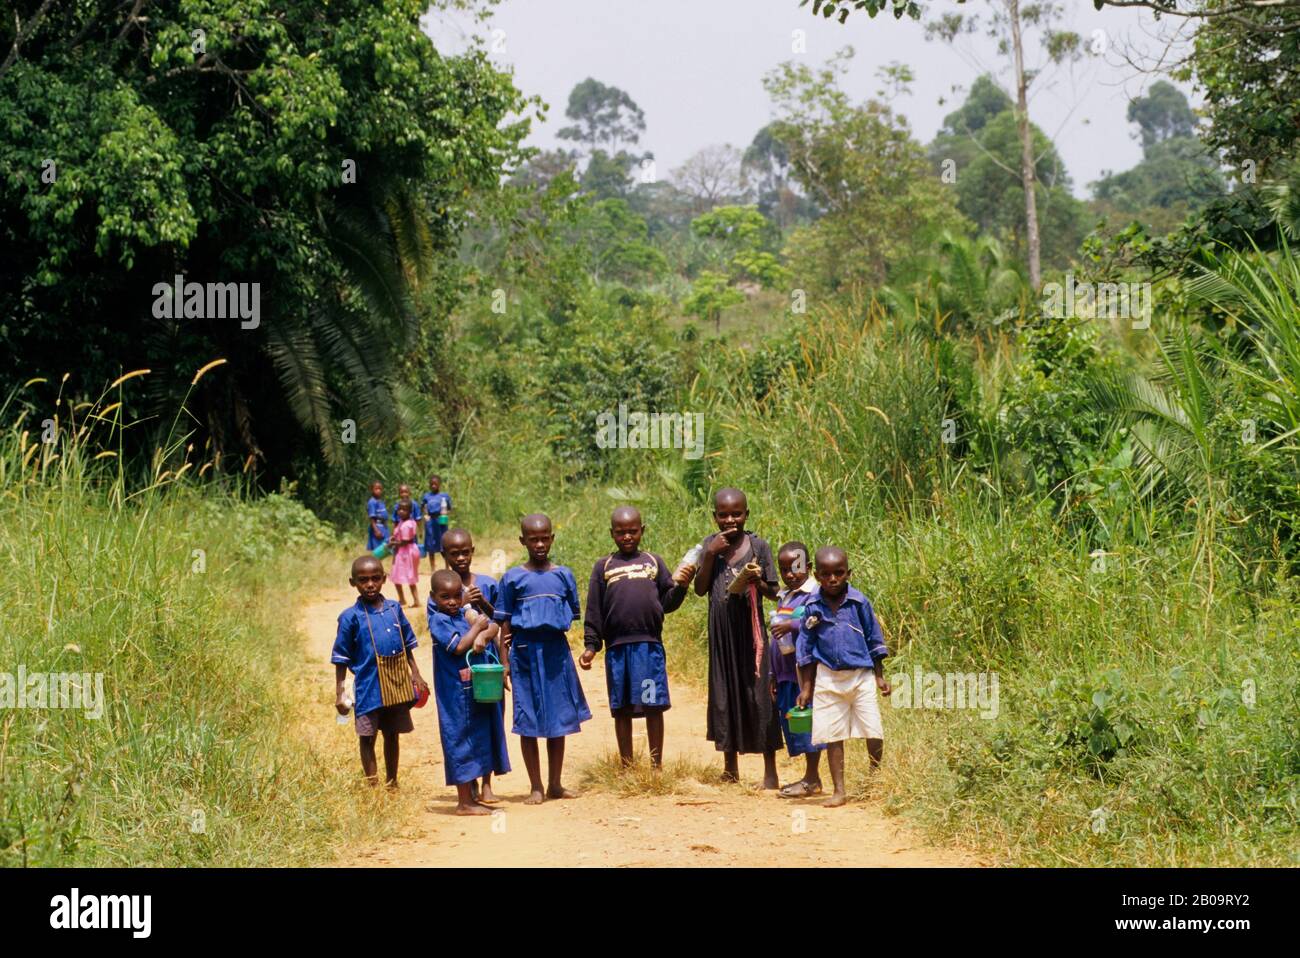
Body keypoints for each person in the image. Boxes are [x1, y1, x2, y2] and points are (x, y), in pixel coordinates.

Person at [579, 506, 694, 768]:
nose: (627, 537)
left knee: (652, 705)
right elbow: (594, 609)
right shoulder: (603, 566)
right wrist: (591, 645)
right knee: (622, 708)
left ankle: (656, 765)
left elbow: (667, 602)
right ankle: (626, 764)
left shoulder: (653, 562)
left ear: (642, 531)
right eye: (621, 533)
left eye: (632, 531)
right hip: (617, 651)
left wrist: (682, 587)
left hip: (648, 649)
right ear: (612, 534)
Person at [496, 513, 591, 804]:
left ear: (552, 538)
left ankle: (555, 784)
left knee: (557, 719)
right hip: (524, 652)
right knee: (528, 719)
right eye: (533, 539)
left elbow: (572, 614)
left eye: (544, 537)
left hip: (555, 652)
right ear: (523, 541)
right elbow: (505, 624)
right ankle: (535, 785)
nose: (539, 543)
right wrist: (505, 662)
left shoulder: (564, 575)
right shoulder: (513, 578)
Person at [692, 487, 783, 787]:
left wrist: (759, 581)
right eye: (723, 515)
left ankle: (770, 773)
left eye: (736, 514)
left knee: (760, 694)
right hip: (722, 632)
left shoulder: (759, 546)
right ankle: (730, 768)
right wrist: (709, 555)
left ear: (747, 514)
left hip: (752, 632)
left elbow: (774, 592)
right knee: (724, 693)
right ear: (714, 516)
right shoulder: (709, 546)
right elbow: (701, 588)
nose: (730, 520)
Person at [795, 546, 891, 808]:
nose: (833, 579)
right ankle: (839, 790)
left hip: (861, 675)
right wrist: (806, 687)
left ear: (849, 573)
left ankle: (875, 778)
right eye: (826, 574)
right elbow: (805, 646)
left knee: (872, 728)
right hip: (828, 677)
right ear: (816, 575)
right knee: (833, 733)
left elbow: (874, 639)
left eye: (839, 573)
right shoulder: (812, 607)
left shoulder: (859, 603)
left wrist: (880, 677)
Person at [332, 555, 428, 787]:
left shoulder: (394, 609)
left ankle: (392, 781)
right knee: (367, 735)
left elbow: (406, 644)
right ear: (352, 582)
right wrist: (340, 692)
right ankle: (373, 785)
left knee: (392, 733)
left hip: (396, 682)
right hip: (367, 686)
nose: (370, 584)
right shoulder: (350, 617)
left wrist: (416, 673)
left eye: (375, 578)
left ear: (384, 579)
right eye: (363, 580)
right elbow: (341, 658)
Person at [427, 569, 512, 815]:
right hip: (454, 693)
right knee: (459, 739)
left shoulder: (462, 614)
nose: (452, 602)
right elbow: (459, 647)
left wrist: (482, 630)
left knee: (476, 735)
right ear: (433, 598)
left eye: (456, 596)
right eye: (446, 597)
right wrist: (476, 631)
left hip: (470, 688)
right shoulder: (439, 620)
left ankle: (475, 794)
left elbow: (491, 626)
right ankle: (464, 801)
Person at [439, 526, 505, 803]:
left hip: (487, 666)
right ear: (444, 555)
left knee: (491, 718)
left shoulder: (487, 583)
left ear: (473, 551)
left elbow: (501, 620)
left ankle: (488, 781)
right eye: (454, 554)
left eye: (465, 552)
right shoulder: (441, 590)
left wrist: (484, 608)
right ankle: (472, 783)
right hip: (459, 670)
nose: (461, 558)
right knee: (466, 724)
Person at [769, 541, 826, 798]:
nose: (790, 574)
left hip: (803, 675)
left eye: (796, 567)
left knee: (808, 724)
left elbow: (818, 621)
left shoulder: (815, 594)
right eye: (784, 569)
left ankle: (812, 778)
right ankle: (808, 777)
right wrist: (772, 674)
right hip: (784, 673)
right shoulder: (785, 595)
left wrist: (792, 625)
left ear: (809, 567)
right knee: (795, 725)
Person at [388, 502, 421, 607]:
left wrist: (392, 543)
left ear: (410, 512)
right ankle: (409, 600)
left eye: (404, 510)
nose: (401, 512)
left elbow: (405, 541)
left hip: (406, 552)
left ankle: (408, 600)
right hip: (406, 551)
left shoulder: (407, 525)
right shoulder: (403, 521)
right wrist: (394, 538)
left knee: (399, 575)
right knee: (407, 576)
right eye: (399, 509)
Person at [421, 475, 452, 572]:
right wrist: (425, 515)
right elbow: (423, 507)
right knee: (430, 545)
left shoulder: (444, 496)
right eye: (432, 484)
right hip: (431, 522)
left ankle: (447, 566)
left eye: (435, 484)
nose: (433, 486)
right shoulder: (426, 496)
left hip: (441, 522)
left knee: (444, 544)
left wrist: (445, 513)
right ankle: (433, 568)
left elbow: (449, 508)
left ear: (439, 484)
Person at [365, 481, 389, 552]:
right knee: (378, 549)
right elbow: (372, 518)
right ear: (371, 490)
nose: (378, 491)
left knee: (386, 547)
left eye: (380, 489)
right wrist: (376, 530)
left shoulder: (380, 501)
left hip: (383, 527)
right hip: (377, 527)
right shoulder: (372, 502)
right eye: (376, 489)